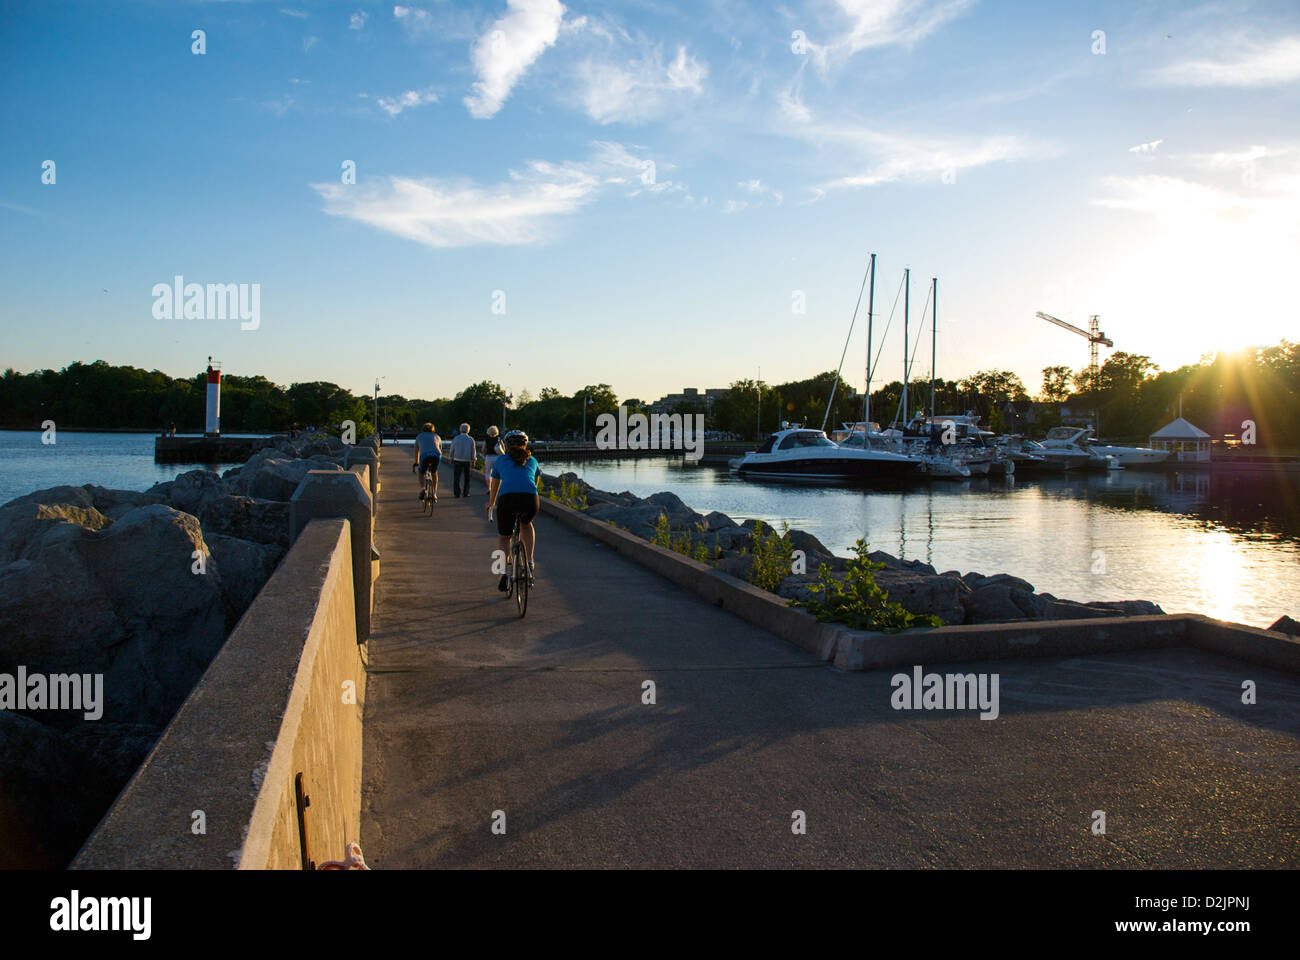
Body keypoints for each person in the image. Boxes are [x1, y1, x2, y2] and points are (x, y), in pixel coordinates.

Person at [486, 430, 539, 590]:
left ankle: (502, 574)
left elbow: (494, 485)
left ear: (507, 446)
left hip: (507, 499)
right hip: (530, 499)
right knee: (526, 524)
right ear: (525, 444)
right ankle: (530, 562)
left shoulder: (501, 460)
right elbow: (535, 482)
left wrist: (491, 503)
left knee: (504, 537)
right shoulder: (532, 460)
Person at [412, 422, 441, 502]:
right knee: (434, 473)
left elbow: (416, 451)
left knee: (421, 472)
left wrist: (416, 462)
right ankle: (434, 493)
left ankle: (423, 489)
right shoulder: (437, 436)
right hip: (436, 456)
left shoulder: (419, 437)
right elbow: (440, 448)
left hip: (425, 456)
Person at [449, 422, 476, 498]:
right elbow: (473, 451)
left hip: (457, 459)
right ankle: (466, 492)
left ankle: (457, 493)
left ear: (460, 429)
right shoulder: (471, 439)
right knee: (467, 477)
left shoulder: (456, 438)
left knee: (457, 477)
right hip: (467, 460)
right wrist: (474, 460)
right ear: (468, 430)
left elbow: (452, 449)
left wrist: (451, 457)